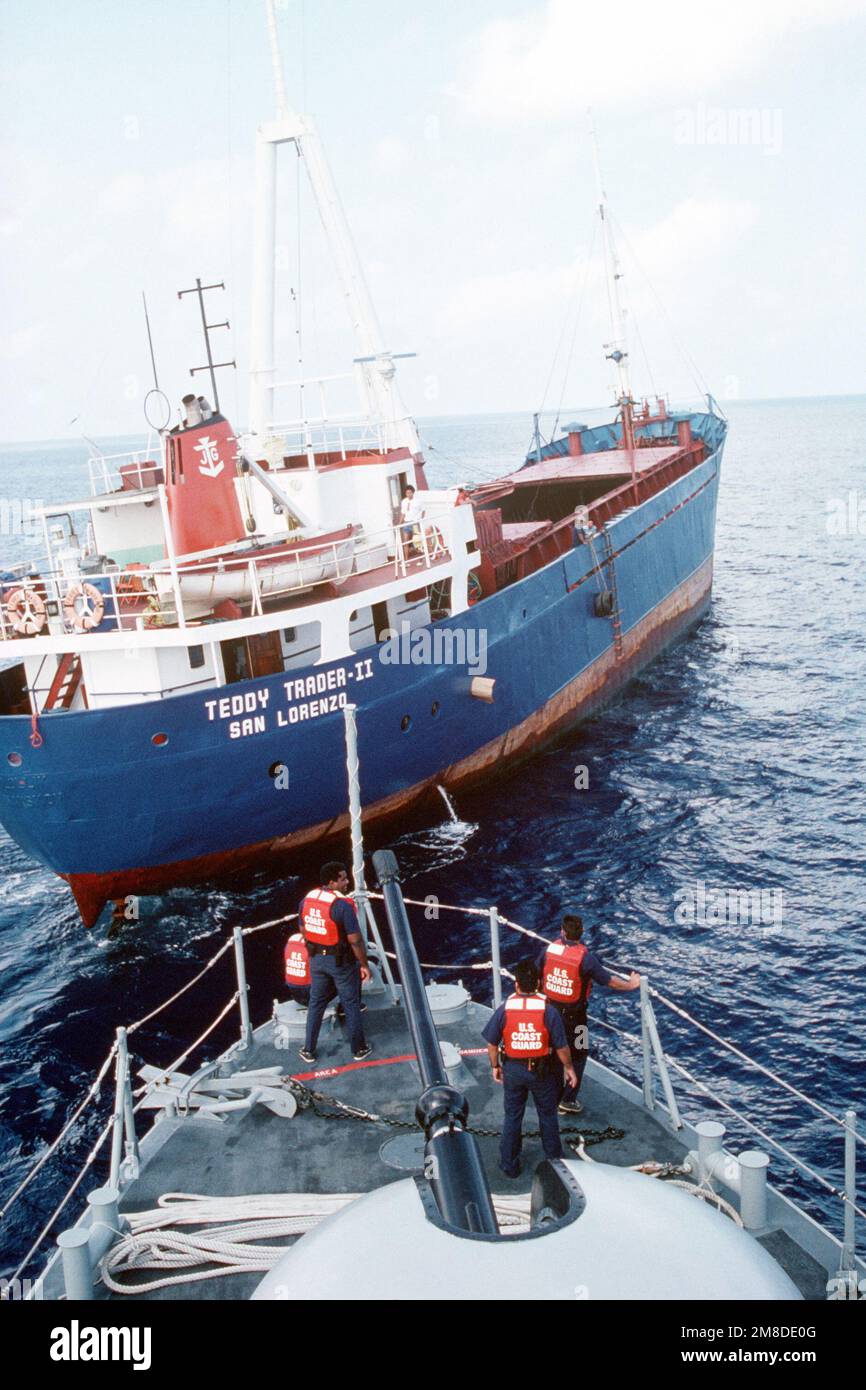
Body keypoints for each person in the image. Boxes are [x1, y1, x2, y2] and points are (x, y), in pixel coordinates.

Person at [482, 959, 578, 1179]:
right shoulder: (549, 1011)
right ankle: (555, 1163)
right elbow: (562, 1046)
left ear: (516, 985)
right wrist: (569, 1068)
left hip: (513, 1071)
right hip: (542, 1072)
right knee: (547, 1114)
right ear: (538, 984)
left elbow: (492, 1043)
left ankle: (509, 1165)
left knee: (512, 1116)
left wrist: (495, 1066)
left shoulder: (505, 1010)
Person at [540, 908, 639, 1116]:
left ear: (562, 932)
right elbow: (610, 982)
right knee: (580, 1054)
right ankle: (568, 1100)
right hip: (576, 1019)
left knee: (552, 1052)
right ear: (581, 932)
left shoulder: (549, 950)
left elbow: (537, 973)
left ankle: (550, 1094)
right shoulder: (587, 960)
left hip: (548, 1013)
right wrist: (631, 985)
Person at [298, 862, 372, 1064]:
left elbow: (304, 930)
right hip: (341, 963)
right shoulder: (342, 906)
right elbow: (355, 940)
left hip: (316, 960)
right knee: (350, 1004)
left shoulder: (306, 901)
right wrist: (364, 965)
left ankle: (308, 1050)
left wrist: (316, 948)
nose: (347, 882)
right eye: (343, 879)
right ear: (332, 882)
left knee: (316, 1003)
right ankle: (359, 1049)